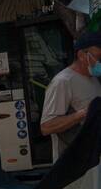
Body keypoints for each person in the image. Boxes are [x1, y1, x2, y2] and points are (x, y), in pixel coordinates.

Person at [41, 31, 101, 161]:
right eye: (99, 57)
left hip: (92, 159)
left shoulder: (94, 79)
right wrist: (84, 113)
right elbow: (46, 127)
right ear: (81, 55)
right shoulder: (63, 82)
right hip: (73, 165)